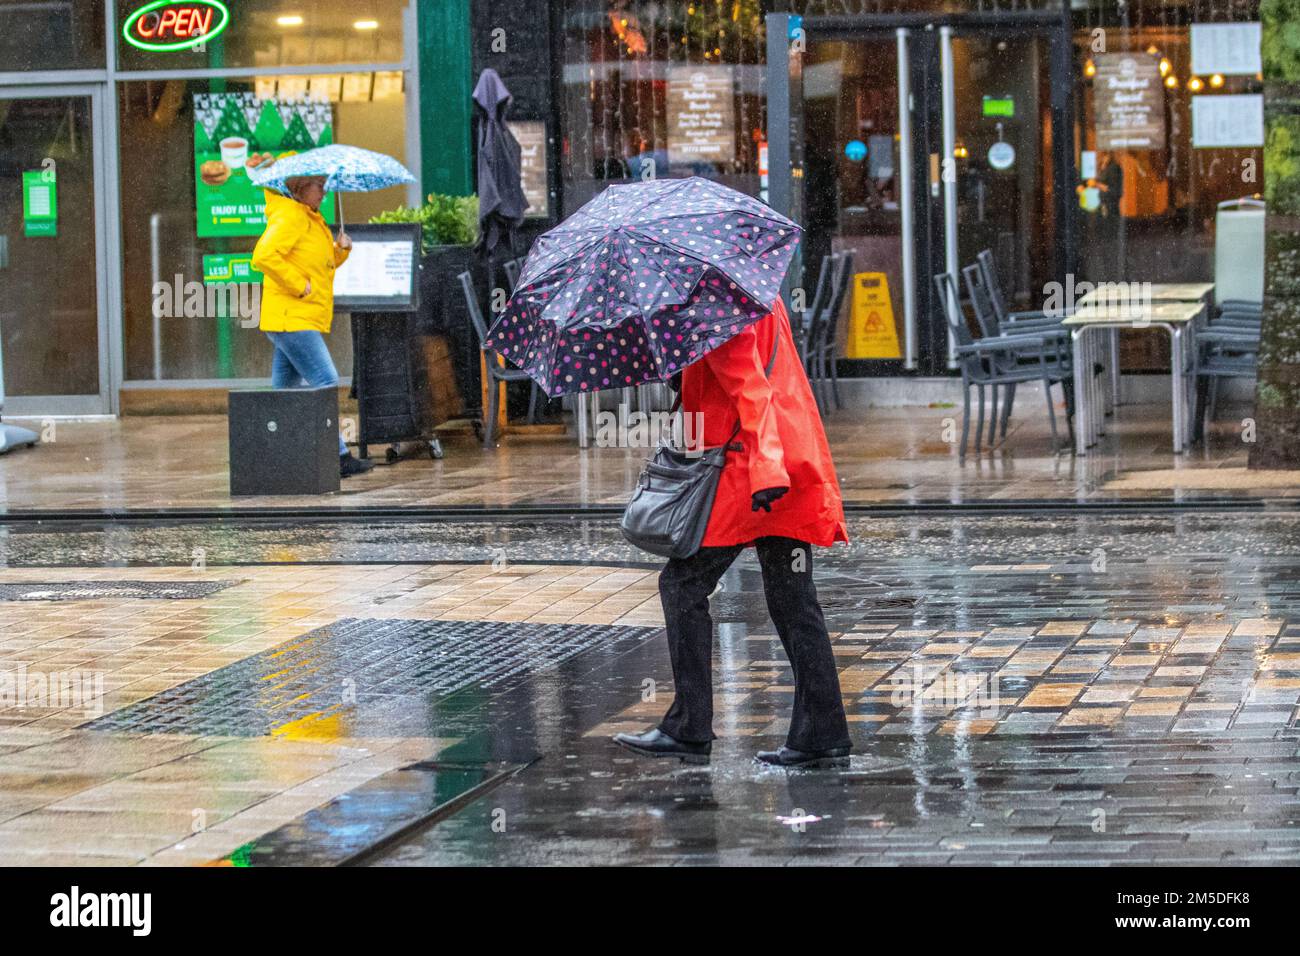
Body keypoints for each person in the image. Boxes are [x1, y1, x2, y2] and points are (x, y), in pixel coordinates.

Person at [614, 297, 853, 768]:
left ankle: (689, 725)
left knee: (682, 584)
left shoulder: (716, 304)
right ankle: (821, 732)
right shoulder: (752, 288)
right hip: (786, 458)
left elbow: (751, 389)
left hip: (748, 469)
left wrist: (765, 472)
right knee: (792, 598)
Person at [251, 174, 373, 478]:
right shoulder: (291, 216)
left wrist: (340, 251)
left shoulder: (309, 218)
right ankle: (337, 455)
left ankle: (277, 453)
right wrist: (296, 284)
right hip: (291, 318)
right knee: (325, 379)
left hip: (294, 316)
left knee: (286, 389)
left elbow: (317, 264)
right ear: (299, 188)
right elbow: (264, 256)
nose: (324, 192)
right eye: (319, 186)